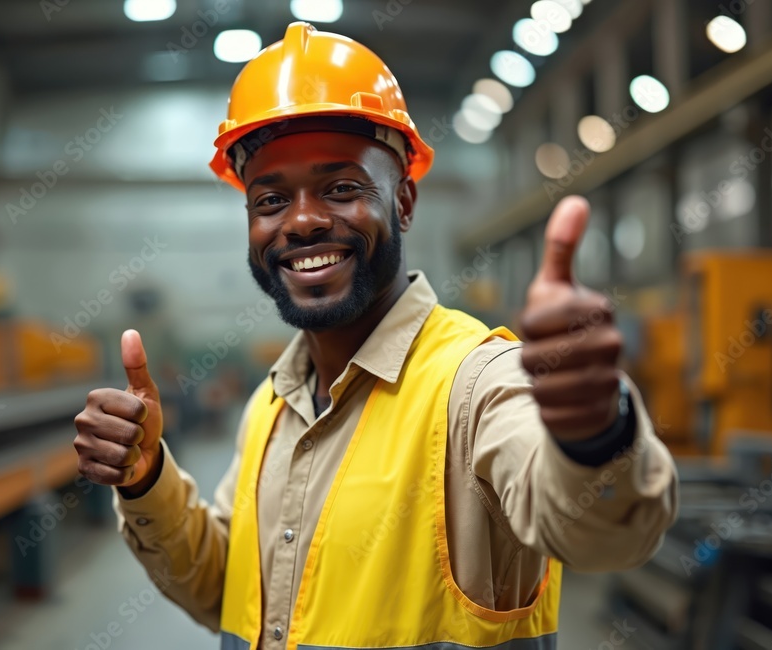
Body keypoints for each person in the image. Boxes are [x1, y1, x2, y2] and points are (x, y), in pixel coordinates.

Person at [73, 21, 678, 650]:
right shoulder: (273, 408)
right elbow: (225, 590)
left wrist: (593, 430)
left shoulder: (477, 386)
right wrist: (148, 482)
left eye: (340, 188)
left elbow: (607, 535)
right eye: (269, 200)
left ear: (405, 202)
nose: (303, 221)